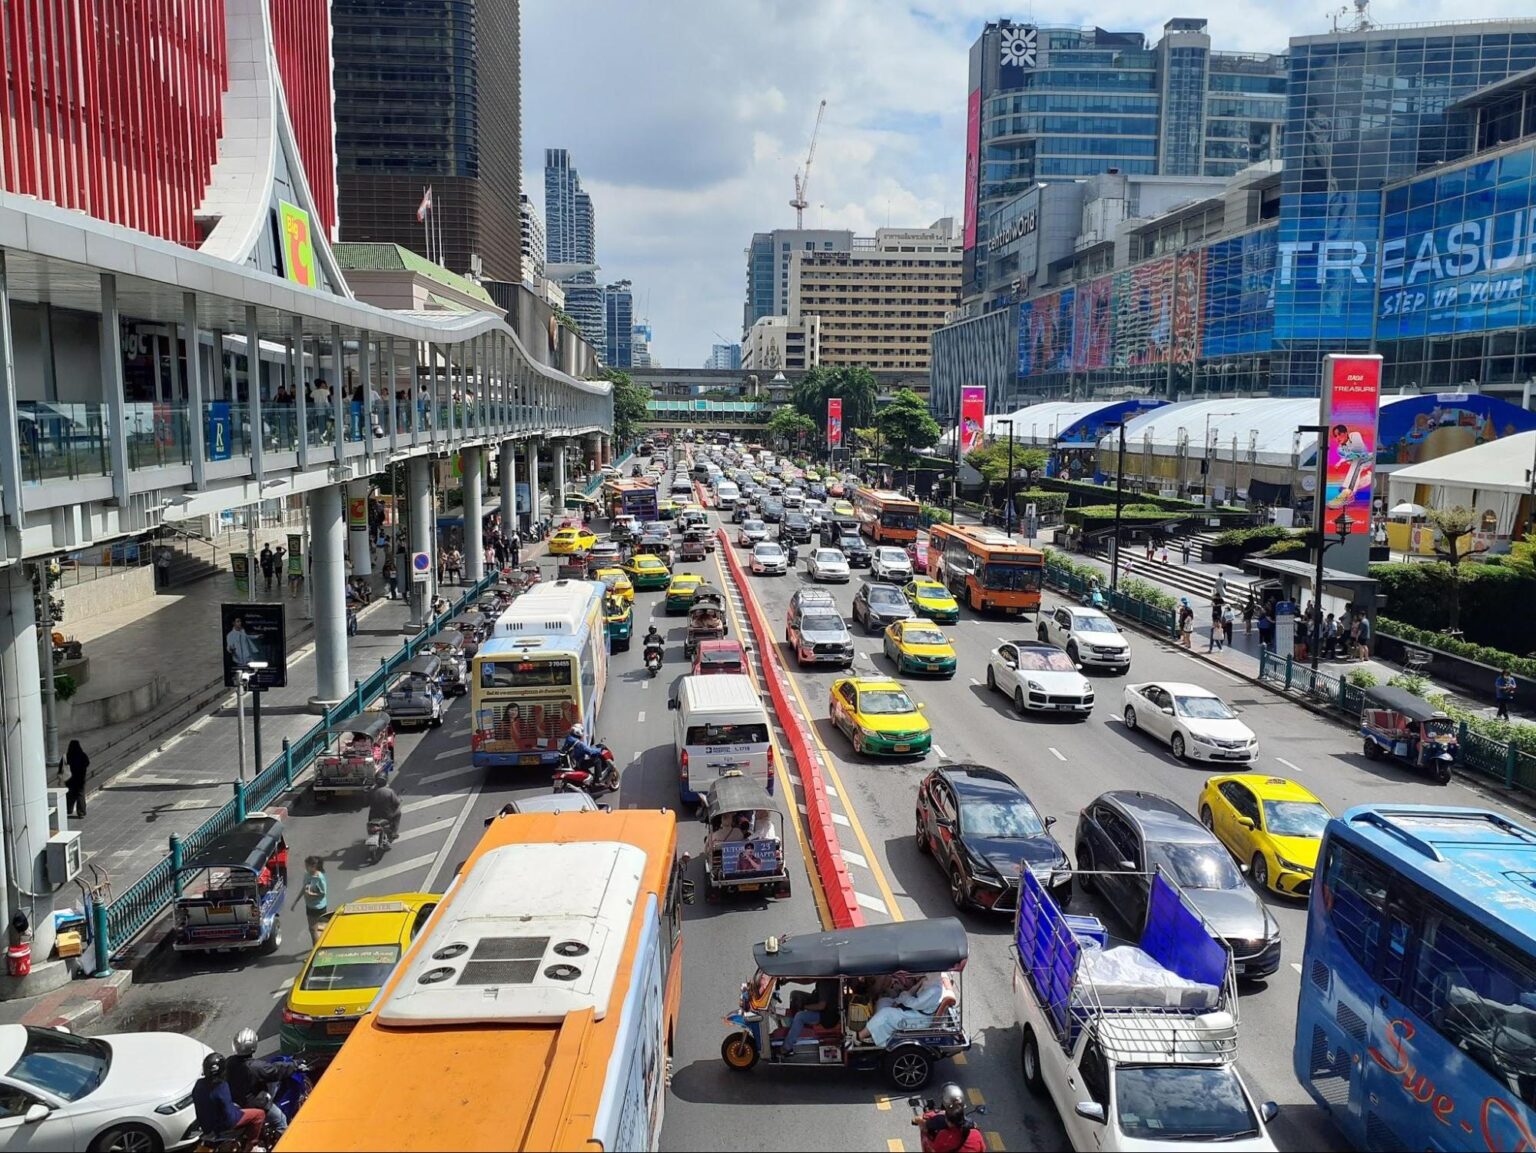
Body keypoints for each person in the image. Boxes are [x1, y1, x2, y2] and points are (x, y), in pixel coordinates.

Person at [192, 1053, 264, 1152]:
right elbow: (230, 1117)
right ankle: (252, 1146)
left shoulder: (198, 1084)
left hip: (206, 1126)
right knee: (259, 1115)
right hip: (223, 1126)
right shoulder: (221, 1086)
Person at [228, 1029, 289, 1141]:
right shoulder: (257, 1067)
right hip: (254, 1105)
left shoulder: (229, 1062)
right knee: (281, 1121)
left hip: (235, 1104)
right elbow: (275, 1071)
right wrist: (294, 1065)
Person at [779, 977, 839, 1059]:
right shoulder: (823, 977)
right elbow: (807, 980)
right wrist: (790, 980)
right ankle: (794, 1026)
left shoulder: (825, 983)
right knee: (795, 995)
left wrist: (804, 1007)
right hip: (824, 1009)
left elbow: (821, 1006)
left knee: (800, 1016)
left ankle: (786, 1048)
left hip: (826, 1016)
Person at [914, 1083, 983, 1153]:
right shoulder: (975, 1133)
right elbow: (982, 1149)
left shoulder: (944, 1136)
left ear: (948, 1121)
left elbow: (934, 1149)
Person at [299, 856, 328, 944]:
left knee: (318, 929)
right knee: (313, 930)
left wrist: (312, 894)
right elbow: (304, 888)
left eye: (306, 866)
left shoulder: (319, 878)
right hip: (309, 906)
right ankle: (316, 948)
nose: (305, 867)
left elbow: (323, 894)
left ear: (313, 867)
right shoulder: (307, 875)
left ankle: (318, 948)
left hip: (319, 907)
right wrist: (296, 901)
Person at [368, 772, 401, 843]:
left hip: (373, 816)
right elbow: (397, 803)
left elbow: (366, 802)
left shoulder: (371, 791)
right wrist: (399, 800)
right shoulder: (389, 791)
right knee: (398, 812)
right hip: (387, 816)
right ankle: (393, 832)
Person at [64, 739, 88, 819]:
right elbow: (87, 763)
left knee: (70, 794)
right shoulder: (82, 755)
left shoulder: (67, 756)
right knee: (80, 794)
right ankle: (81, 812)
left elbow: (63, 766)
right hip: (80, 778)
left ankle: (68, 809)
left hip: (70, 779)